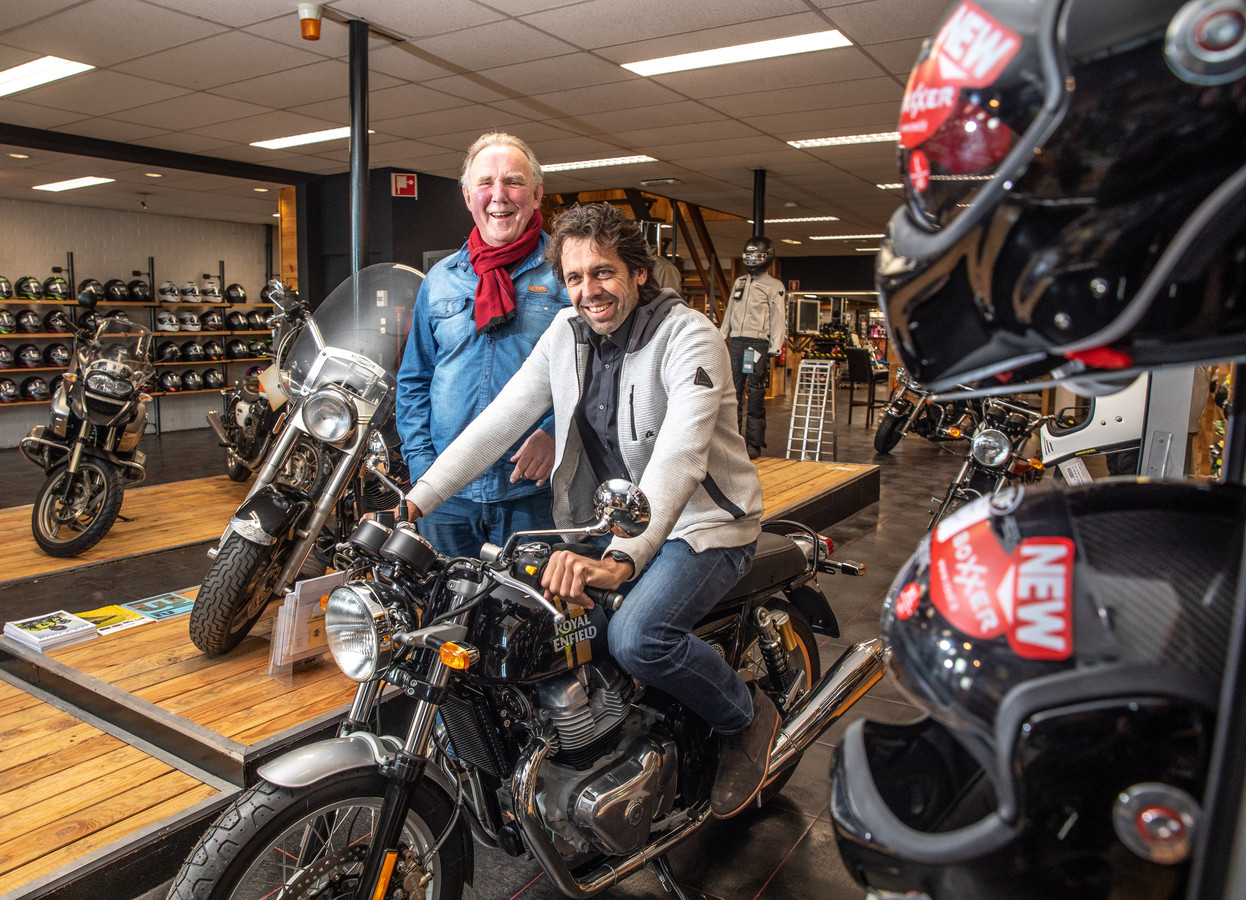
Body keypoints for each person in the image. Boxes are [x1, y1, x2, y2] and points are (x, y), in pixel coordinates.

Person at [405, 202, 778, 819]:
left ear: (637, 271)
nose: (588, 290)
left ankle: (743, 717)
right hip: (608, 520)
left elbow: (679, 458)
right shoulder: (565, 335)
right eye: (575, 278)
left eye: (603, 272)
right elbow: (497, 425)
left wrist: (622, 562)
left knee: (638, 638)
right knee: (526, 628)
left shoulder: (690, 336)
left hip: (704, 526)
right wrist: (417, 501)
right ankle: (595, 748)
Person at [395, 132, 571, 560]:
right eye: (485, 183)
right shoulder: (440, 280)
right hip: (446, 495)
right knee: (445, 619)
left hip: (531, 493)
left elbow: (602, 376)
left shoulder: (566, 273)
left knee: (529, 618)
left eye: (513, 181)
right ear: (467, 194)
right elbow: (415, 380)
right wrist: (423, 467)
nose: (499, 196)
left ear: (536, 194)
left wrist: (554, 435)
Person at [719, 236, 786, 458]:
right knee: (732, 393)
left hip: (757, 343)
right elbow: (730, 311)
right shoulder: (739, 282)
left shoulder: (774, 286)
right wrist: (722, 335)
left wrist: (776, 346)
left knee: (756, 392)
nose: (751, 260)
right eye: (748, 256)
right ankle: (732, 441)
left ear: (767, 257)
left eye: (756, 256)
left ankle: (754, 444)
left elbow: (778, 317)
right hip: (736, 342)